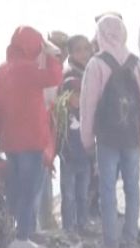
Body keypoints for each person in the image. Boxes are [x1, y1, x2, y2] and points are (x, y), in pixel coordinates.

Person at [81, 14, 140, 248]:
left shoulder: (96, 64)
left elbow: (88, 105)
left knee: (107, 188)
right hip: (131, 134)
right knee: (132, 186)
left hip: (107, 137)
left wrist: (87, 139)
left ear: (100, 34)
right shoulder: (136, 63)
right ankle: (130, 237)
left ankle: (110, 241)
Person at [0, 26, 64, 248]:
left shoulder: (2, 70)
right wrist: (52, 56)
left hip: (10, 139)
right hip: (31, 138)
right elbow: (55, 77)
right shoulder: (28, 69)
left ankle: (16, 235)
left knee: (16, 188)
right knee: (29, 189)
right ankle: (23, 237)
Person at [55, 77, 91, 234]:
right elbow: (58, 137)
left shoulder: (86, 113)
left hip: (84, 159)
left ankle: (82, 224)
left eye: (81, 94)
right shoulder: (62, 113)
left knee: (83, 195)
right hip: (68, 160)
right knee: (68, 196)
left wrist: (93, 158)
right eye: (75, 94)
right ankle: (68, 227)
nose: (78, 98)